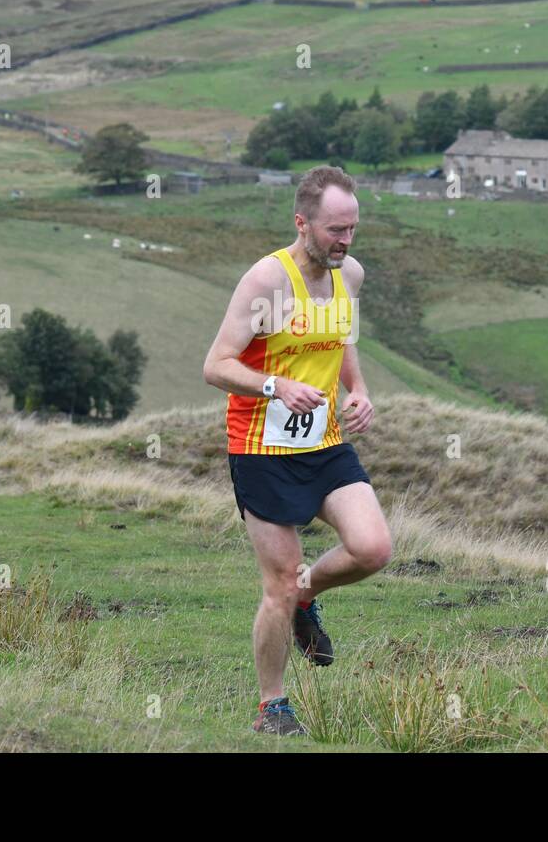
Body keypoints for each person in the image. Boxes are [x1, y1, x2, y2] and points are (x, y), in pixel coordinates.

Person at [202, 165, 393, 736]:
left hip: (325, 442)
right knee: (278, 583)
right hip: (260, 446)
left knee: (373, 547)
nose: (346, 240)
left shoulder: (348, 275)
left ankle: (309, 597)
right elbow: (215, 366)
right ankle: (272, 707)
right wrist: (275, 385)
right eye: (336, 229)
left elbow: (342, 337)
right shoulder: (267, 281)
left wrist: (356, 389)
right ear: (302, 222)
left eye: (353, 228)